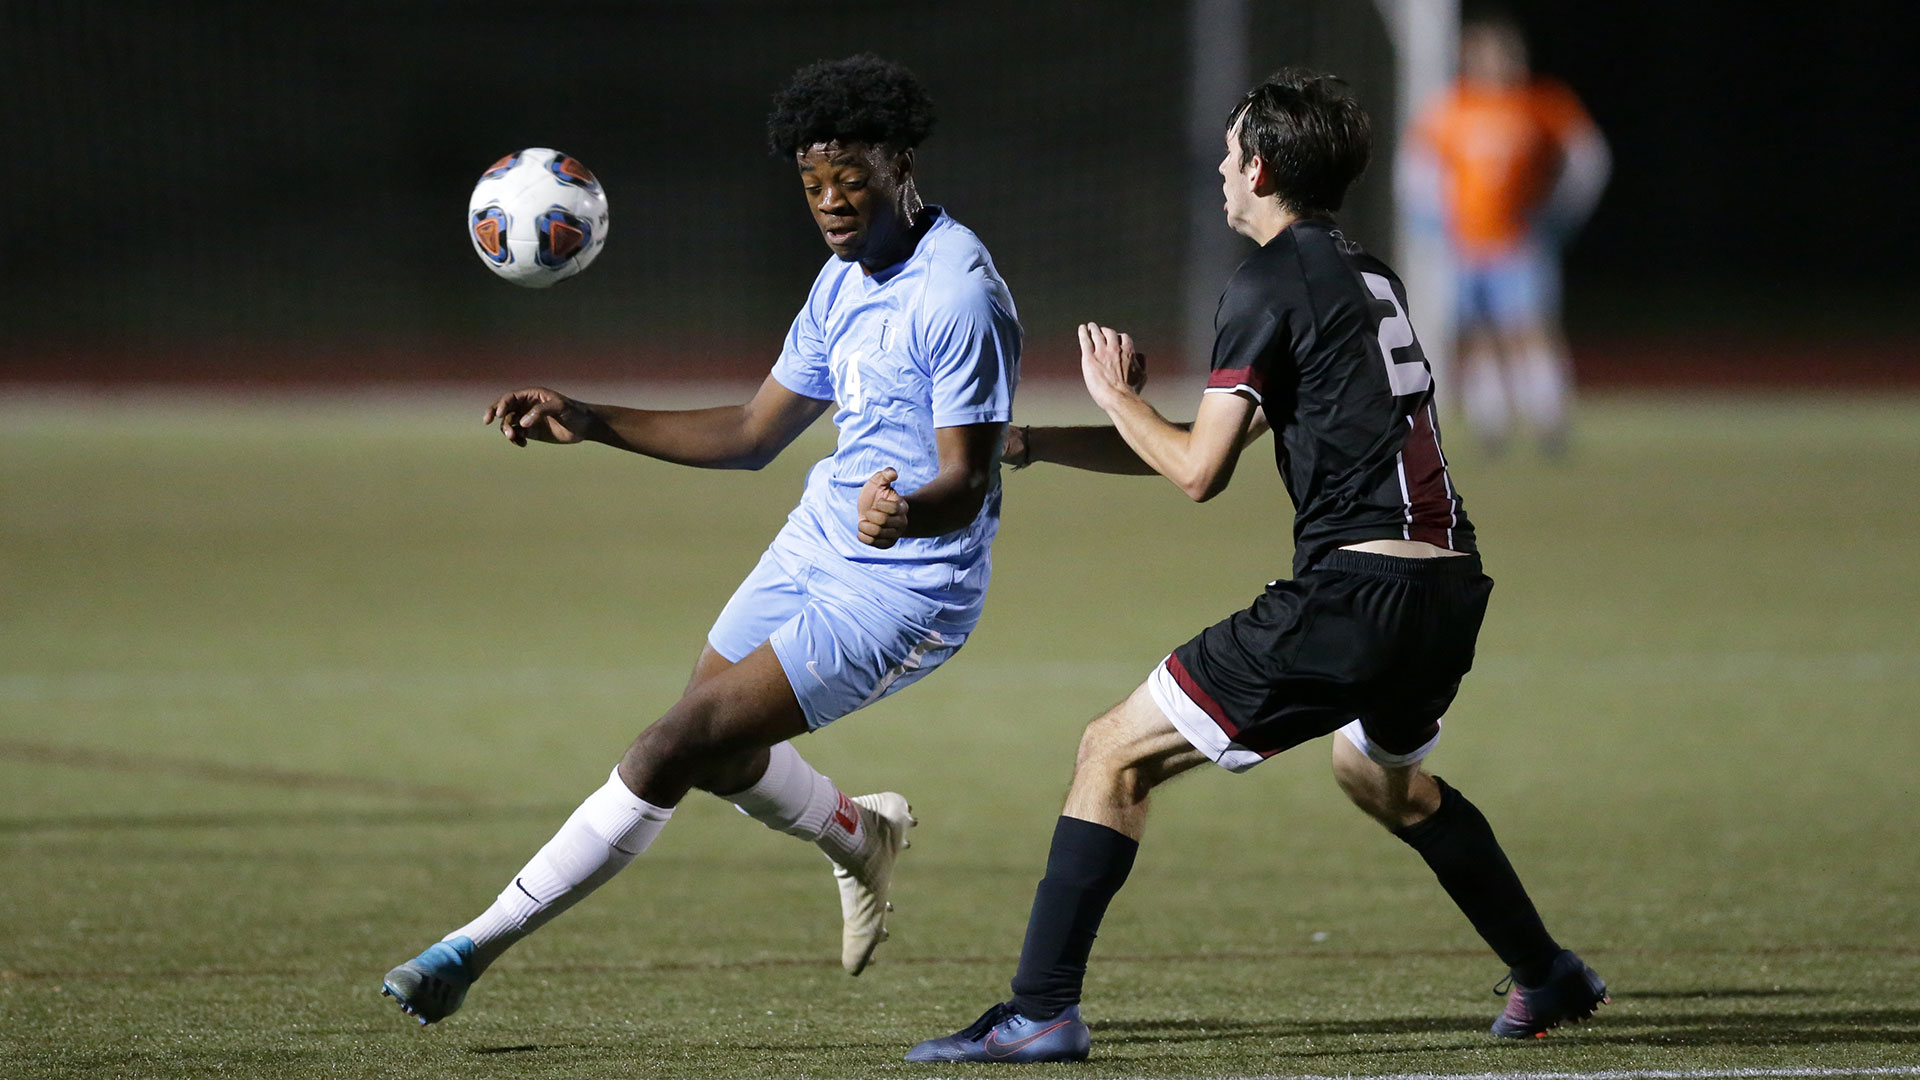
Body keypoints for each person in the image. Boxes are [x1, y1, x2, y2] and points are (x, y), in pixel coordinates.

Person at [905, 70, 1603, 1064]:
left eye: (1232, 155)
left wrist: (1112, 395)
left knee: (1112, 752)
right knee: (1383, 779)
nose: (1223, 173)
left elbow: (1196, 473)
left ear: (1263, 167)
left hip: (1357, 595)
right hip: (1446, 591)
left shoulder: (1268, 278)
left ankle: (1039, 1011)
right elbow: (1204, 440)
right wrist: (1033, 444)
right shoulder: (1365, 276)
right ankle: (1549, 974)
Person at [380, 54, 1021, 1025]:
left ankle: (469, 948)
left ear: (899, 162)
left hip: (908, 586)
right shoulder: (843, 279)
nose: (832, 202)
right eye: (812, 184)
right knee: (717, 752)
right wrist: (592, 419)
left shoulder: (955, 292)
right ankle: (861, 836)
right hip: (816, 540)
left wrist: (907, 513)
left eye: (850, 176)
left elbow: (967, 484)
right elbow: (754, 433)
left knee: (671, 745)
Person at [1404, 14, 1609, 454]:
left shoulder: (1541, 104)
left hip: (1519, 243)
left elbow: (1588, 159)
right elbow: (1418, 168)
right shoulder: (1450, 109)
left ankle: (1549, 417)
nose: (1493, 63)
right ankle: (1489, 422)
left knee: (1527, 328)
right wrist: (1429, 221)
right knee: (1475, 333)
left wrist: (1559, 213)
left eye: (1502, 54)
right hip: (1464, 245)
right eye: (1483, 54)